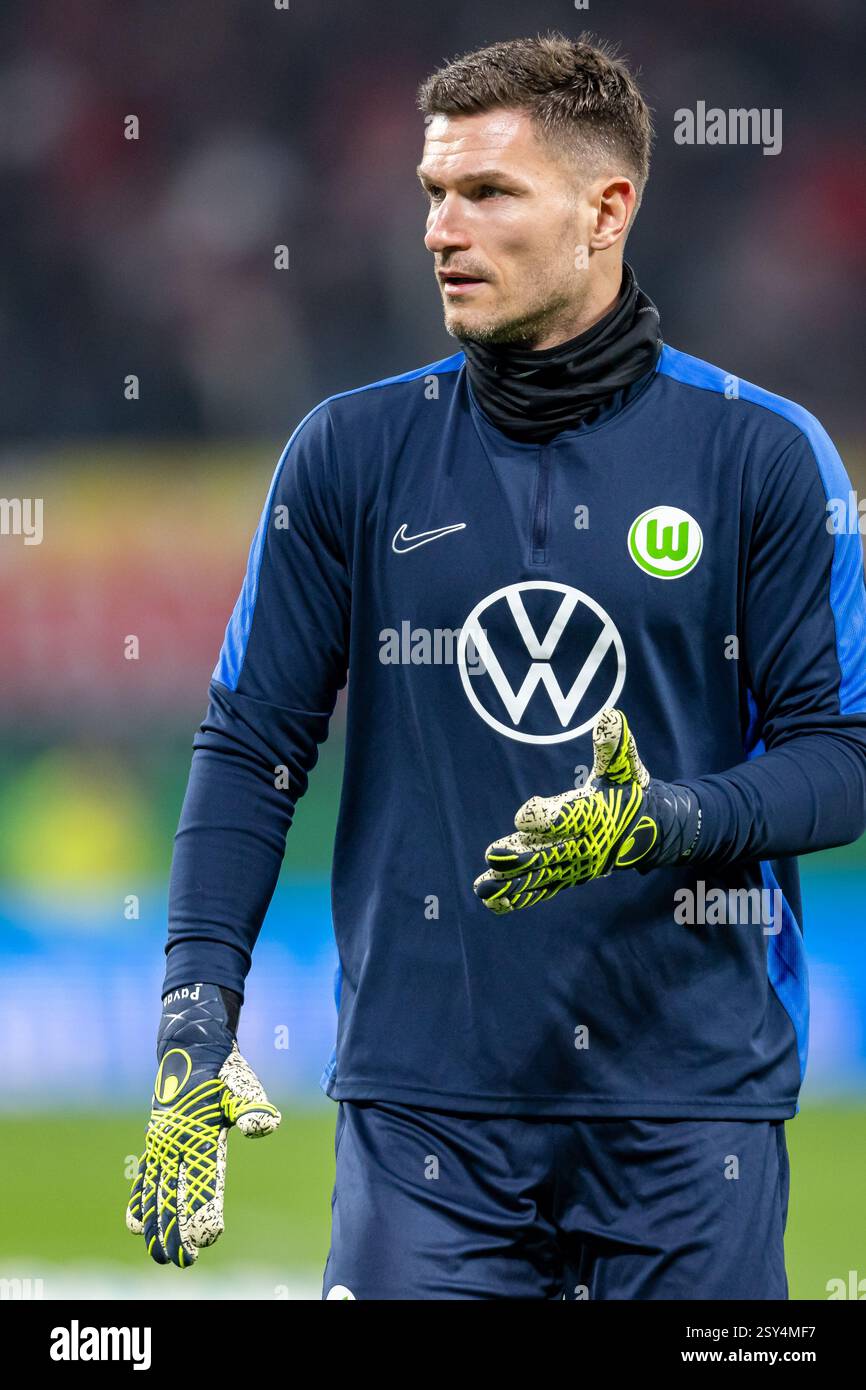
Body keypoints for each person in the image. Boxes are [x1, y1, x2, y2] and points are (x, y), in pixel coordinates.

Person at [126, 32, 866, 1299]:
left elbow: (841, 757)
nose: (438, 230)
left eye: (486, 193)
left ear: (605, 210)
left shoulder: (762, 458)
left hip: (691, 1116)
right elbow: (251, 746)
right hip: (423, 1120)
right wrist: (197, 1010)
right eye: (431, 193)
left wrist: (661, 820)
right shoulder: (347, 454)